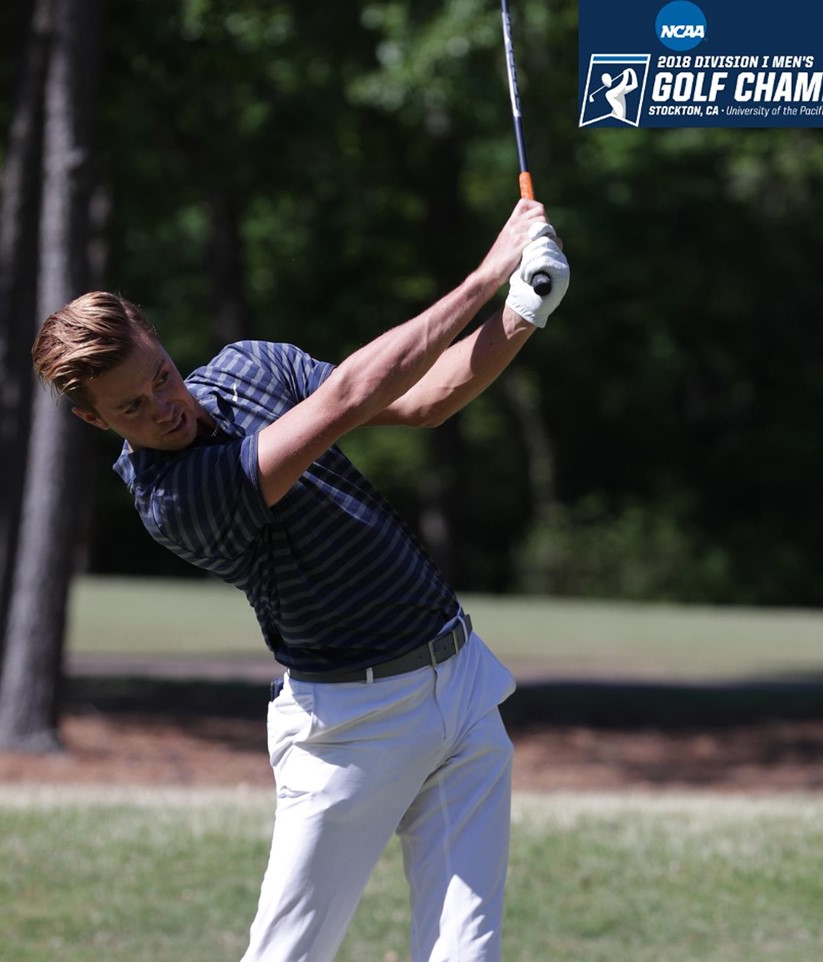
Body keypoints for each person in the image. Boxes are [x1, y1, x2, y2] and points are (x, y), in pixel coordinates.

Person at [31, 198, 569, 962]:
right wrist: (490, 273)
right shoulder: (174, 497)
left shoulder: (252, 365)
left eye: (159, 375)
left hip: (461, 679)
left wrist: (523, 309)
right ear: (95, 421)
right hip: (351, 726)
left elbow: (418, 401)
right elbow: (349, 396)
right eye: (132, 407)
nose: (163, 407)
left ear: (156, 335)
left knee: (466, 953)